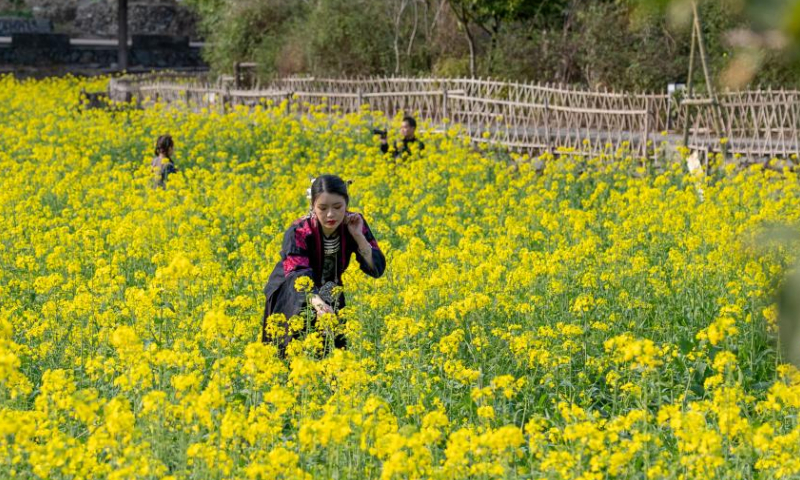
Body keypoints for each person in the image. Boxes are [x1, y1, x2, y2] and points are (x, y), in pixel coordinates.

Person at [261, 175, 386, 355]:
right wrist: (318, 303)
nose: (330, 214)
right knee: (293, 352)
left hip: (330, 289)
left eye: (337, 207)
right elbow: (297, 273)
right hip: (292, 292)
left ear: (346, 204)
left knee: (333, 354)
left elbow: (377, 269)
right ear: (312, 206)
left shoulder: (354, 223)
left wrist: (358, 237)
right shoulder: (299, 230)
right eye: (322, 208)